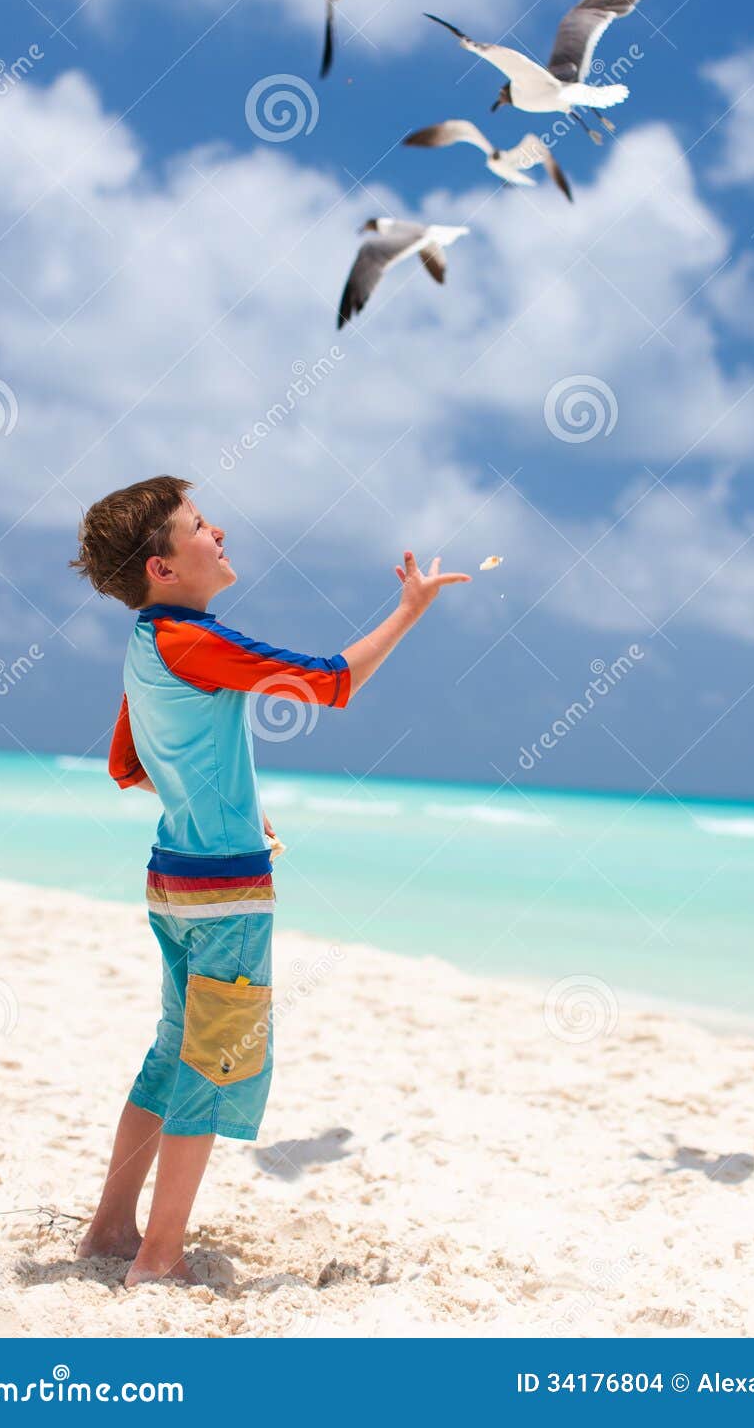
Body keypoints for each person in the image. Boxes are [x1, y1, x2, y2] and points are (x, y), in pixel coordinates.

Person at [69, 475, 469, 1285]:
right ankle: (159, 1257)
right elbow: (330, 680)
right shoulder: (194, 641)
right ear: (162, 568)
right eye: (198, 525)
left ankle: (109, 1230)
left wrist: (220, 805)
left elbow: (128, 766)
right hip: (225, 893)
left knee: (171, 1053)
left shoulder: (146, 644)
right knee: (212, 1065)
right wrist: (409, 610)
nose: (218, 532)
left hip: (173, 878)